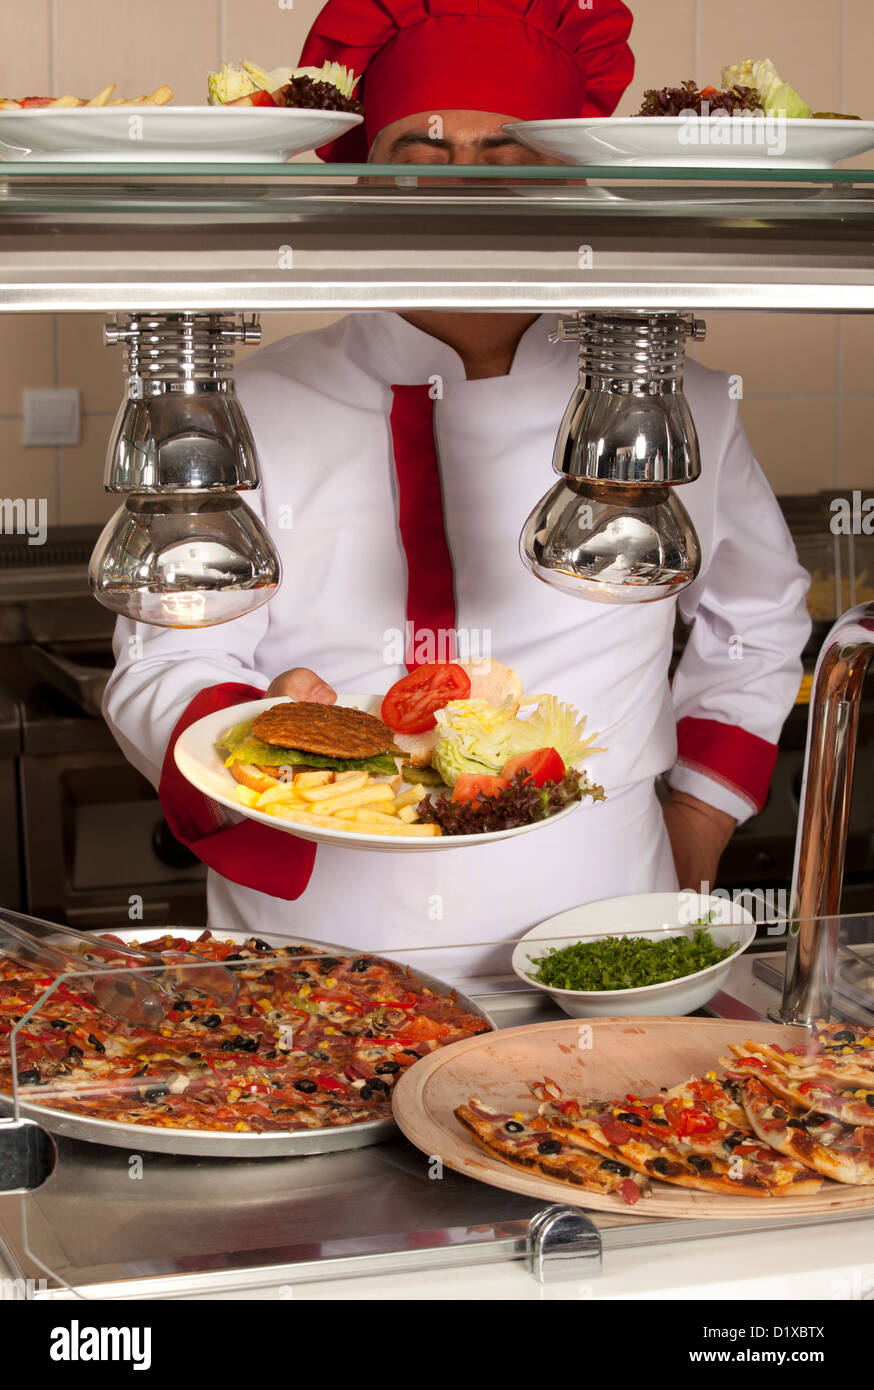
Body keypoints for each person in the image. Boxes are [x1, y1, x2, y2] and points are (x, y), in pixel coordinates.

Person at [103, 0, 811, 980]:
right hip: (321, 931)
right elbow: (162, 659)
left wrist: (698, 813)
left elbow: (761, 618)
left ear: (567, 186)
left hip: (600, 920)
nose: (465, 189)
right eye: (421, 153)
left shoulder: (663, 403)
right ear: (365, 183)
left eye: (509, 155)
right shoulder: (246, 402)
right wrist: (257, 727)